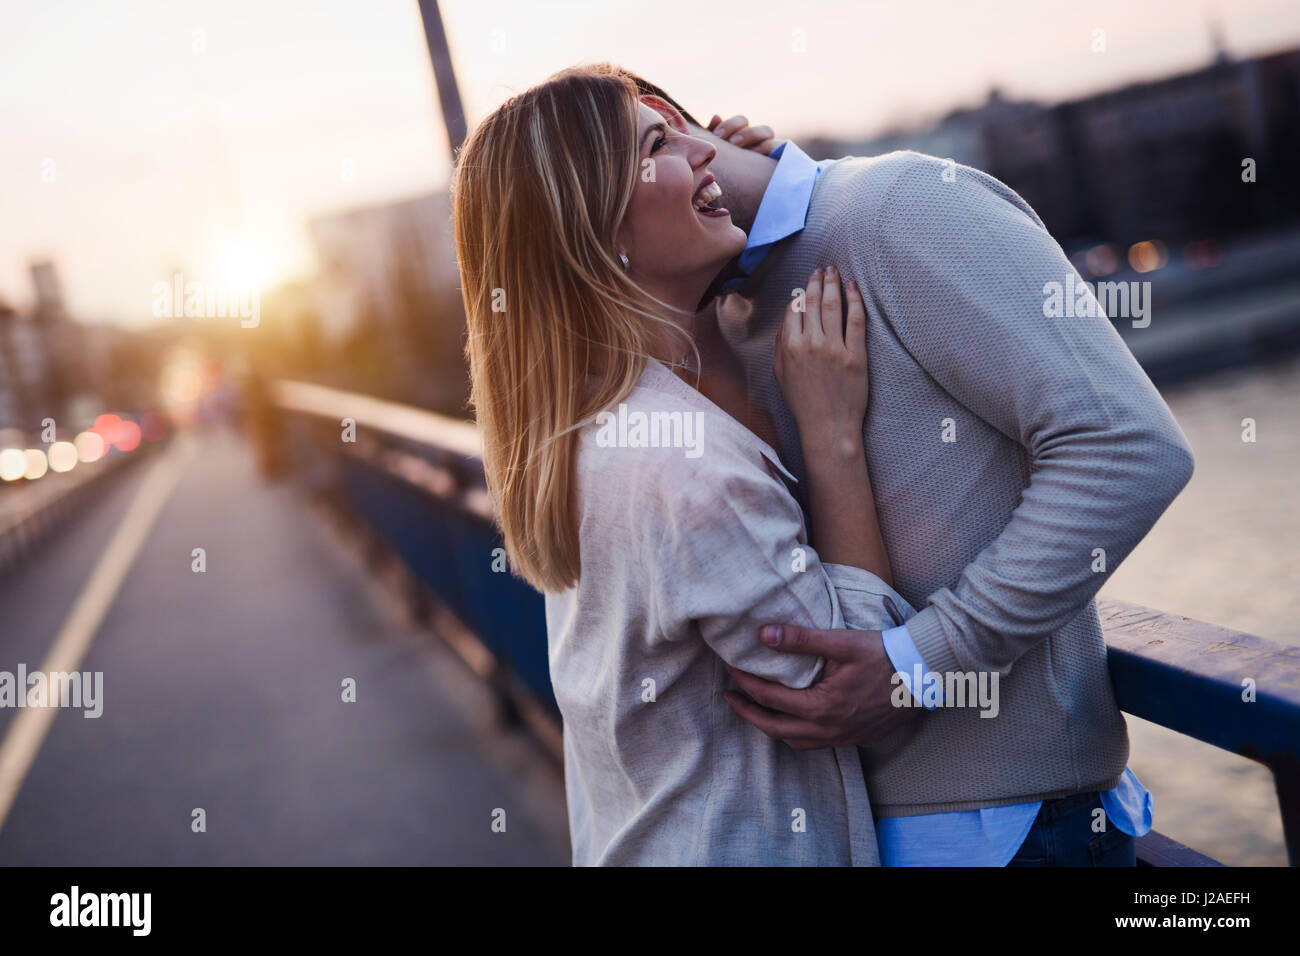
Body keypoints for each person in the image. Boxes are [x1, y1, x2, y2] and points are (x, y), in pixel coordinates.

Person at [620, 73, 1191, 866]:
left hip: (1000, 826)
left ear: (670, 125)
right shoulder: (708, 308)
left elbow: (1128, 447)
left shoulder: (902, 207)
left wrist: (923, 663)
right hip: (834, 829)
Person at [452, 65, 914, 865]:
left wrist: (728, 224)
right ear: (599, 232)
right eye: (661, 144)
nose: (706, 150)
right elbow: (861, 686)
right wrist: (832, 430)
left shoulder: (587, 430)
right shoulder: (683, 468)